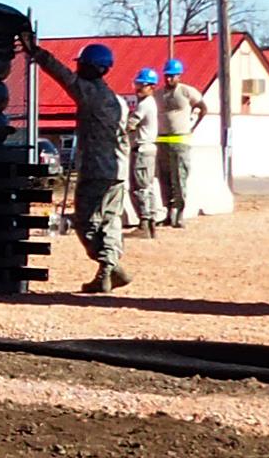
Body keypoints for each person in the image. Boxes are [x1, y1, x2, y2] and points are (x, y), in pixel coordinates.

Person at [26, 37, 130, 292]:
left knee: (85, 221)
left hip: (96, 170)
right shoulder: (118, 101)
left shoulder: (90, 94)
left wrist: (37, 53)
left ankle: (109, 265)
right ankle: (110, 268)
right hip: (118, 170)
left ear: (92, 67)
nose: (77, 68)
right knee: (111, 219)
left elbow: (61, 75)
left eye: (82, 64)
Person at [156, 58, 209, 226]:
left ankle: (179, 214)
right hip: (162, 141)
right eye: (167, 76)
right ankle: (167, 212)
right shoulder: (158, 94)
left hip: (180, 141)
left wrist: (193, 125)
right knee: (165, 179)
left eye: (173, 76)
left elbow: (203, 108)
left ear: (179, 76)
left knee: (179, 178)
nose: (169, 79)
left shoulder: (187, 92)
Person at [125, 69, 165, 236]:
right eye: (138, 84)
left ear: (151, 87)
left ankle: (145, 223)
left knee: (139, 187)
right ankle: (150, 223)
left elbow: (130, 124)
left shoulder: (145, 104)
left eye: (142, 85)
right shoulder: (150, 103)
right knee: (146, 187)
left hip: (143, 149)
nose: (138, 88)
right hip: (147, 149)